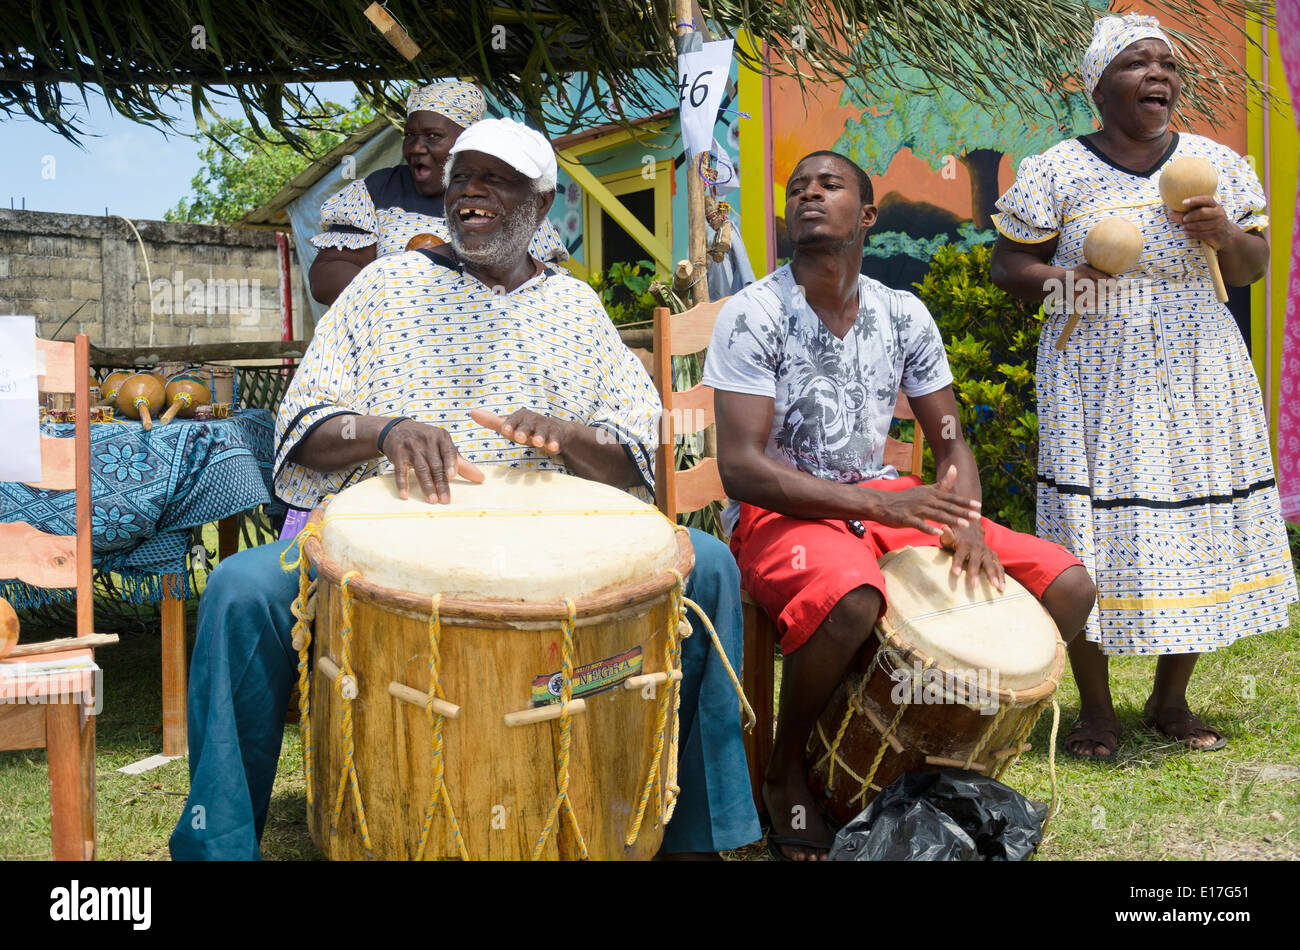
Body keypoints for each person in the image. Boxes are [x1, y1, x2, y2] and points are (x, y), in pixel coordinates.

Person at [170, 118, 760, 860]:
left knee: (706, 566)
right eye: (462, 178)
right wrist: (385, 430)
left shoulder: (575, 309)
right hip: (385, 543)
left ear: (541, 207)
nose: (470, 191)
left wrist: (569, 436)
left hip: (553, 547)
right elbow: (306, 426)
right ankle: (214, 844)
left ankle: (699, 835)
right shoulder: (382, 287)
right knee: (238, 590)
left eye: (495, 179)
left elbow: (634, 459)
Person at [704, 149, 1099, 860]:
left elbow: (949, 442)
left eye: (829, 186)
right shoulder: (754, 313)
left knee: (1068, 585)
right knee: (853, 599)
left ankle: (947, 758)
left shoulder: (903, 313)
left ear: (868, 214)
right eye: (798, 189)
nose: (809, 196)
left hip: (882, 500)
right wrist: (878, 507)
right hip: (783, 510)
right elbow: (742, 470)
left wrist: (967, 517)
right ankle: (787, 769)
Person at [989, 15, 1297, 759]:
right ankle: (1096, 710)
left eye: (1166, 65)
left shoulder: (1217, 166)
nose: (1157, 75)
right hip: (1095, 370)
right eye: (1136, 63)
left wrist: (1227, 236)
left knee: (1192, 523)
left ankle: (1170, 700)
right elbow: (1008, 268)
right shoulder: (1056, 170)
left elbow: (1253, 269)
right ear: (1099, 85)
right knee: (1090, 531)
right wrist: (1070, 282)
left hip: (1199, 365)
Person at [307, 80, 568, 306]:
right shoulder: (377, 192)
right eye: (410, 135)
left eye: (433, 136)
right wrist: (406, 301)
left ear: (468, 142)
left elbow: (546, 282)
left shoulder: (509, 199)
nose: (416, 148)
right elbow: (325, 277)